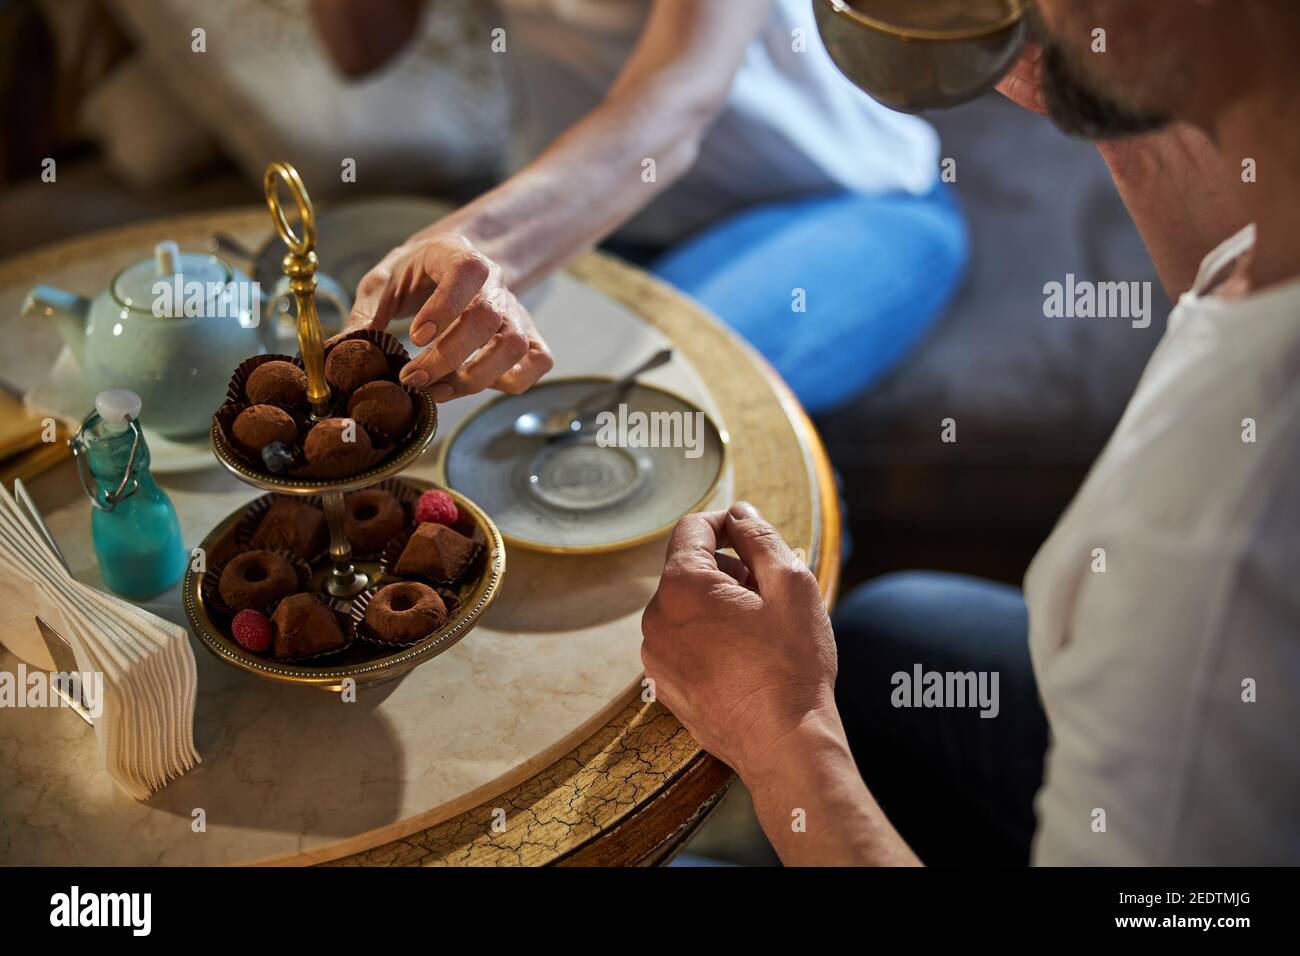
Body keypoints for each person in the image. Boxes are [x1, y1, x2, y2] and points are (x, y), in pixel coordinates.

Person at [640, 0, 1300, 865]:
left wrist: (785, 734)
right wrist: (1099, 81)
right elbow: (1226, 286)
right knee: (889, 638)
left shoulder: (1214, 558)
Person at [310, 0, 967, 415]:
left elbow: (680, 96)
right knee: (473, 431)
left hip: (838, 200)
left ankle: (804, 618)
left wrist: (482, 242)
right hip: (602, 220)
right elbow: (362, 49)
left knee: (655, 412)